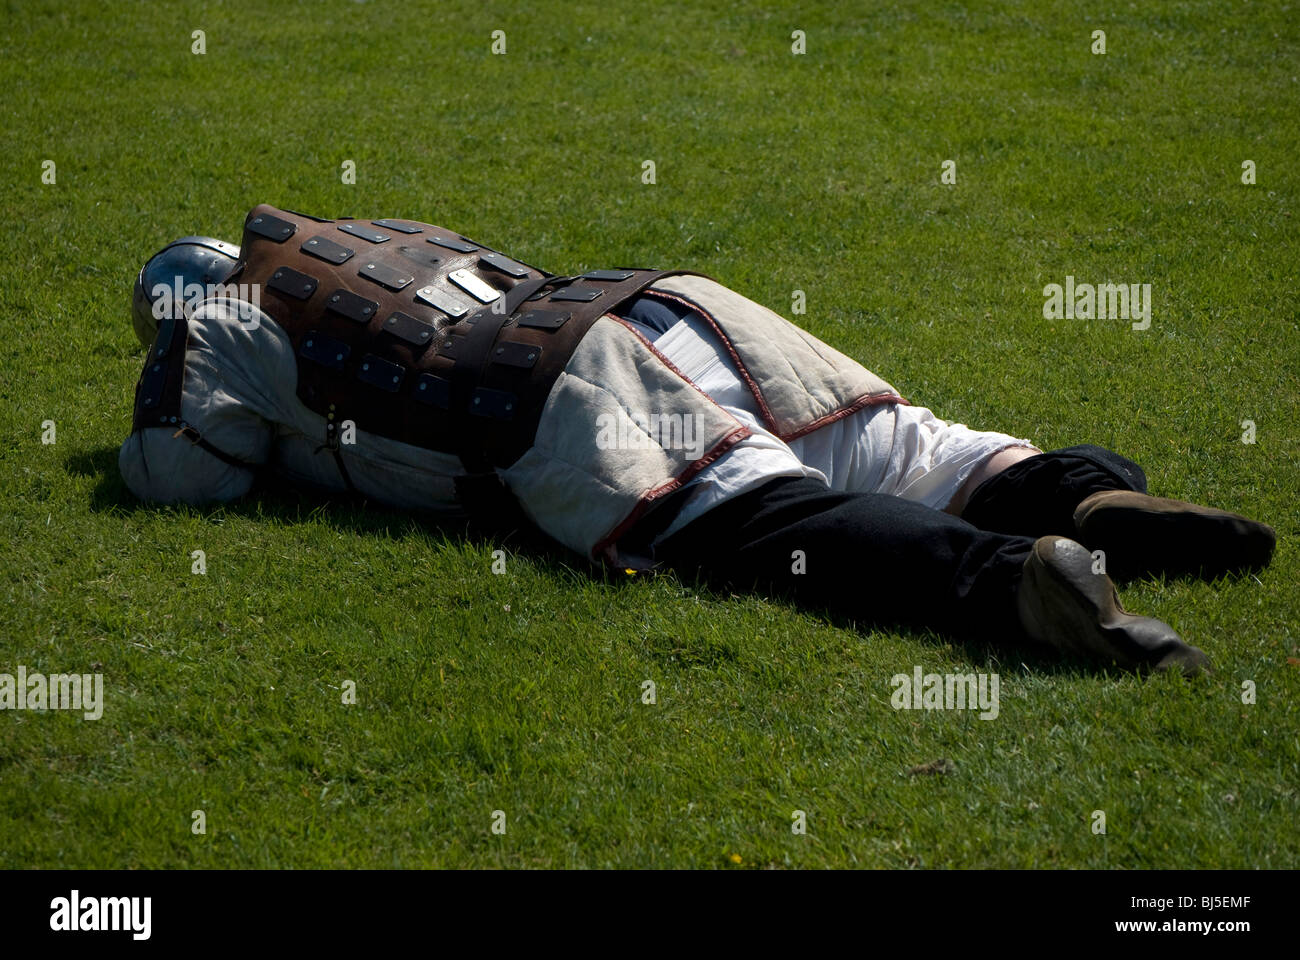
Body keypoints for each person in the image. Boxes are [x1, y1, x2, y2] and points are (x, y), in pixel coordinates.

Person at [121, 205, 1276, 677]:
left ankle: (1017, 590)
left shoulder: (209, 317)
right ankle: (1082, 503)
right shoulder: (369, 229)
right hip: (671, 310)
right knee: (922, 451)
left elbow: (180, 476)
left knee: (756, 517)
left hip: (568, 383)